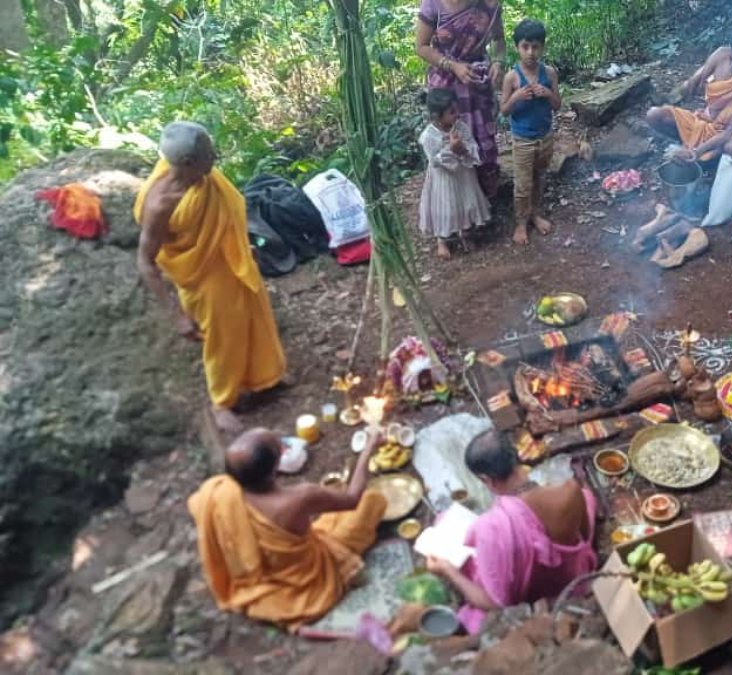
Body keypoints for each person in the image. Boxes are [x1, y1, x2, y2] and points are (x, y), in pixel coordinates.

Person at [135, 121, 287, 434]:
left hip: (227, 256)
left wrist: (242, 246)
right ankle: (221, 402)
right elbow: (145, 262)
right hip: (200, 276)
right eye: (210, 156)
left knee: (256, 313)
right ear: (188, 163)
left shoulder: (201, 178)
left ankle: (265, 374)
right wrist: (176, 316)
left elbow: (227, 213)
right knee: (223, 339)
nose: (215, 158)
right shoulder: (161, 203)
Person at [187, 428, 388, 629]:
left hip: (263, 572)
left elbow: (196, 506)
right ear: (277, 464)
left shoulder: (218, 494)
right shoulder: (300, 497)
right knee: (371, 500)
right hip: (310, 576)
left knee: (332, 507)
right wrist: (367, 450)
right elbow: (352, 499)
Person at [426, 430, 597, 634]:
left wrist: (448, 570)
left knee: (444, 523)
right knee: (588, 499)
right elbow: (586, 538)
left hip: (537, 594)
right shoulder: (571, 490)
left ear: (486, 480)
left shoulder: (491, 527)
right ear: (517, 457)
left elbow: (499, 603)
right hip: (574, 576)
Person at [646, 25, 732, 163]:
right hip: (704, 119)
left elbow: (729, 131)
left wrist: (697, 152)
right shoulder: (721, 54)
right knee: (654, 115)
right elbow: (697, 80)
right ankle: (687, 148)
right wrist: (688, 87)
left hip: (731, 131)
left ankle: (708, 157)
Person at [416, 0, 505, 199]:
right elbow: (421, 46)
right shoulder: (433, 5)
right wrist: (453, 66)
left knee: (483, 137)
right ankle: (457, 200)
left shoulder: (490, 4)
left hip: (478, 81)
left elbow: (499, 40)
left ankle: (485, 198)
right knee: (450, 141)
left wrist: (498, 62)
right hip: (446, 86)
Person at [500, 18, 561, 246]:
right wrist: (515, 97)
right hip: (523, 140)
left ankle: (535, 213)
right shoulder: (512, 77)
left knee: (538, 178)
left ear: (543, 47)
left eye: (536, 46)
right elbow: (504, 110)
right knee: (523, 184)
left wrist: (547, 93)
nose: (531, 52)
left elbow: (557, 105)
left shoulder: (550, 73)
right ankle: (521, 223)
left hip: (545, 137)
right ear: (517, 47)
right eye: (525, 46)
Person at [419, 88, 492, 260]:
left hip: (464, 174)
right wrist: (451, 150)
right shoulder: (429, 136)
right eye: (452, 112)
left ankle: (465, 233)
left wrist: (463, 149)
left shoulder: (461, 127)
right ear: (437, 116)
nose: (457, 114)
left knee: (467, 203)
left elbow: (472, 146)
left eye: (456, 109)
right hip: (443, 179)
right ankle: (442, 240)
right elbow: (435, 161)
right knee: (445, 208)